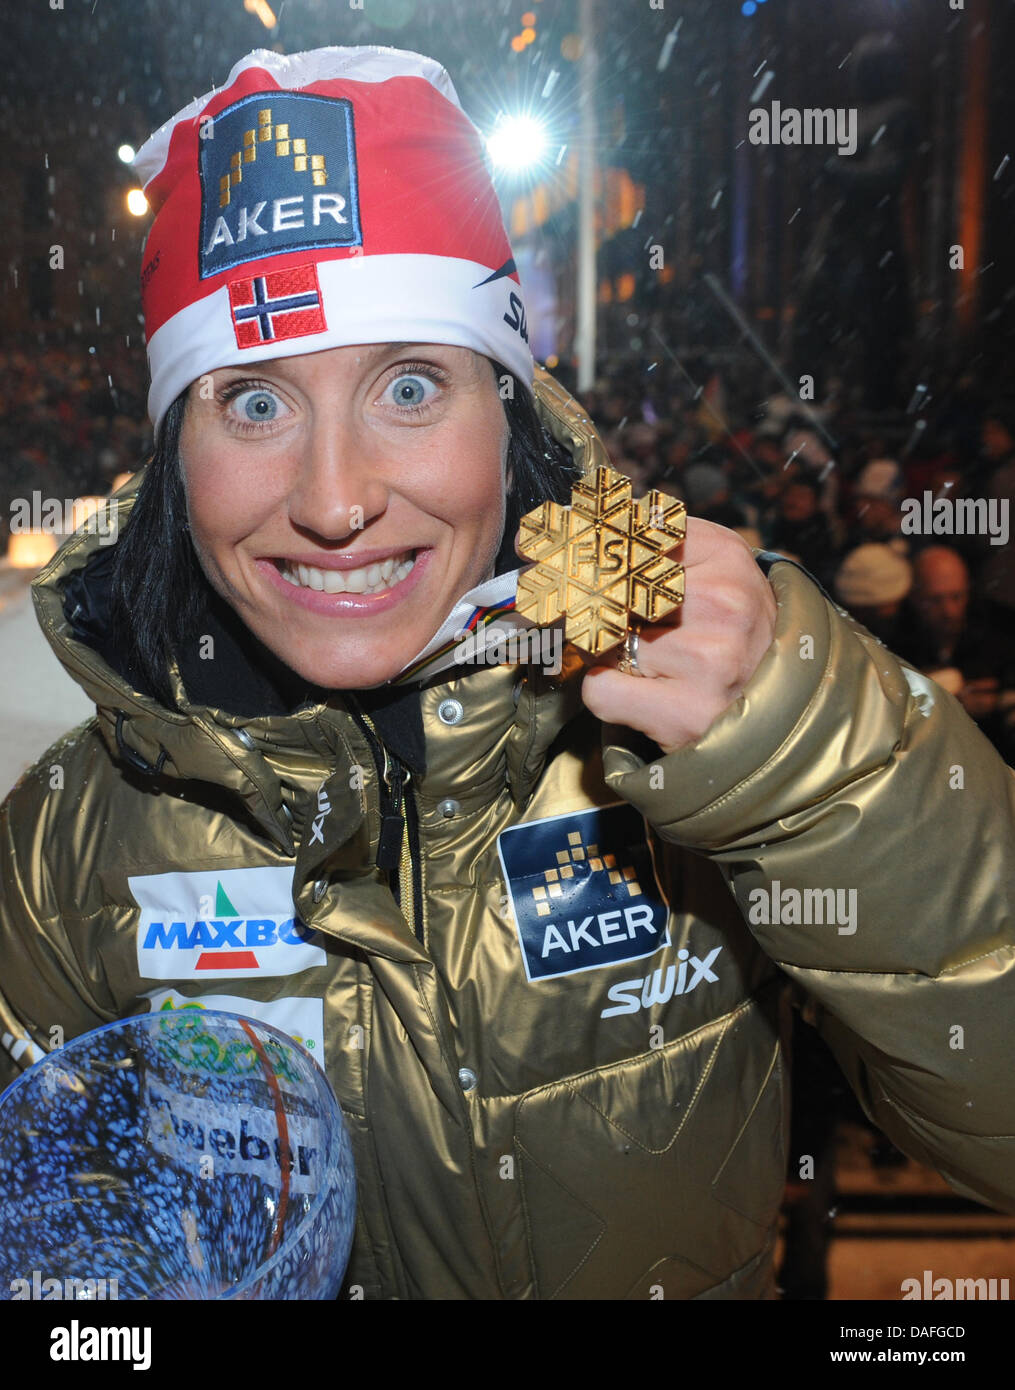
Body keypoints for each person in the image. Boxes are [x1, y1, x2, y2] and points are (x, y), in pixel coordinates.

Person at [2, 44, 1015, 1303]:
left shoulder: (713, 722)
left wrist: (812, 765)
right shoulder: (65, 839)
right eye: (254, 405)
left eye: (411, 386)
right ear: (174, 453)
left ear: (512, 409)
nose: (335, 500)